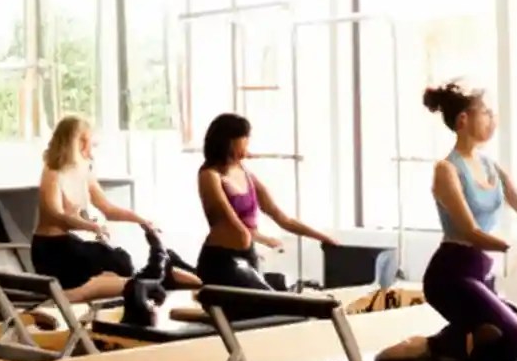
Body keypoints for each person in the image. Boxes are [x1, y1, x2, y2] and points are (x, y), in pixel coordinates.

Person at [377, 81, 517, 361]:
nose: (493, 119)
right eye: (486, 113)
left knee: (514, 323)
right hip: (450, 275)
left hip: (481, 272)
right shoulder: (446, 170)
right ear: (463, 120)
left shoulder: (490, 166)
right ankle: (430, 346)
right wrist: (509, 248)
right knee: (513, 337)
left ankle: (454, 339)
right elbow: (470, 232)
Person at [33, 115, 200, 324]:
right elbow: (57, 214)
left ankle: (160, 270)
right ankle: (159, 270)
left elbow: (108, 209)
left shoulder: (84, 171)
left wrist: (141, 220)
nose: (89, 146)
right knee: (116, 261)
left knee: (119, 262)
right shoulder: (52, 172)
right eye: (85, 140)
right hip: (52, 250)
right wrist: (91, 226)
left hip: (71, 245)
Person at [195, 113, 336, 301]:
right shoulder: (209, 175)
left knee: (277, 302)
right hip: (222, 261)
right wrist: (264, 238)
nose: (246, 146)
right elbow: (233, 226)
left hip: (248, 256)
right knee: (275, 303)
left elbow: (282, 218)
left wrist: (322, 237)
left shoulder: (245, 172)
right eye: (243, 140)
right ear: (228, 142)